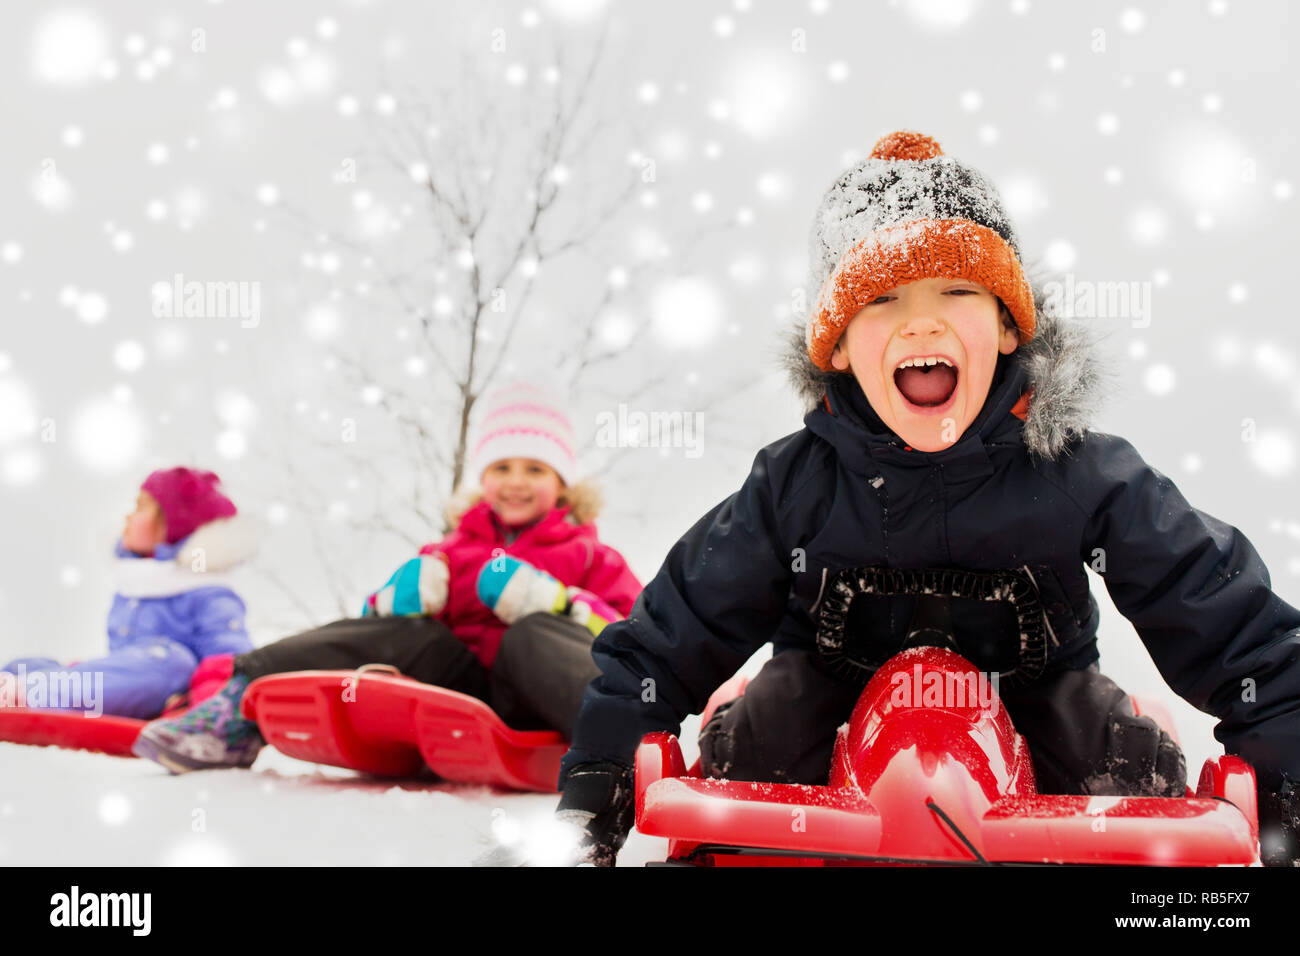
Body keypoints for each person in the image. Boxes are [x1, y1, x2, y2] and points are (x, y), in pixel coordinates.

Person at [549, 130, 1300, 867]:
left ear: (1007, 326)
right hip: (828, 705)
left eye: (957, 289)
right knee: (758, 740)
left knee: (1117, 756)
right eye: (880, 298)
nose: (921, 319)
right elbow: (674, 629)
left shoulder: (1077, 472)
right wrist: (598, 781)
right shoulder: (797, 485)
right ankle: (730, 845)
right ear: (838, 346)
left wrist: (1287, 763)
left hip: (1035, 698)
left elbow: (1222, 615)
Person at [132, 382, 643, 773]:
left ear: (563, 484)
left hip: (542, 699)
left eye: (534, 469)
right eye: (501, 466)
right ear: (482, 477)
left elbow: (633, 641)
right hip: (460, 695)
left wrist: (560, 603)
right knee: (413, 632)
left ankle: (624, 748)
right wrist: (391, 600)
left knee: (529, 635)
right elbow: (370, 631)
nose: (515, 481)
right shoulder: (448, 551)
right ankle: (238, 707)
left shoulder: (593, 558)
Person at [0, 467, 254, 720]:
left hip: (168, 696)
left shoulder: (209, 592)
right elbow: (123, 665)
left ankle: (28, 693)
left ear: (173, 522)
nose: (128, 516)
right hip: (119, 687)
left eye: (140, 507)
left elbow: (230, 665)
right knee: (25, 665)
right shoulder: (136, 584)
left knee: (173, 662)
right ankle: (20, 684)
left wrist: (207, 711)